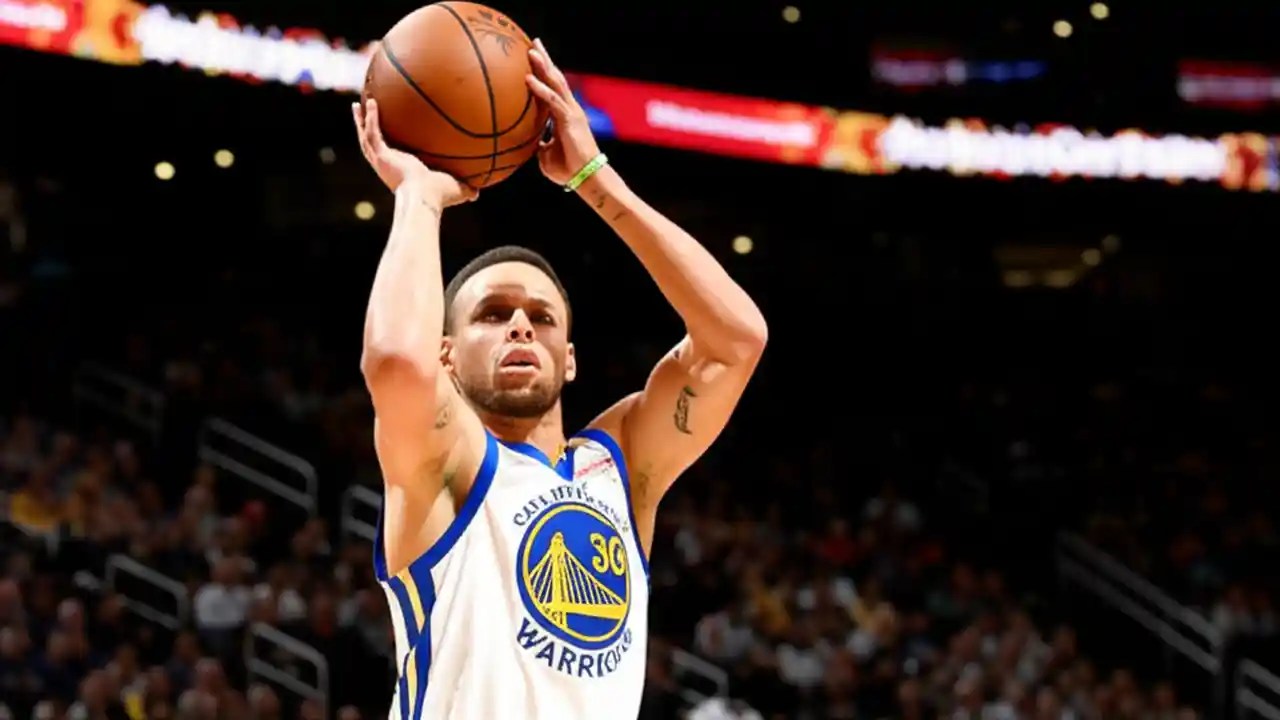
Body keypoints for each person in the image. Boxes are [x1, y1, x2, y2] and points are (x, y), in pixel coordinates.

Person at [352, 39, 767, 720]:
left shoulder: (618, 464)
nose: (520, 326)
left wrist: (595, 178)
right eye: (493, 314)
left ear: (569, 357)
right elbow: (397, 361)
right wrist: (420, 198)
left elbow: (736, 341)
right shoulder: (445, 462)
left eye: (540, 317)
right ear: (448, 357)